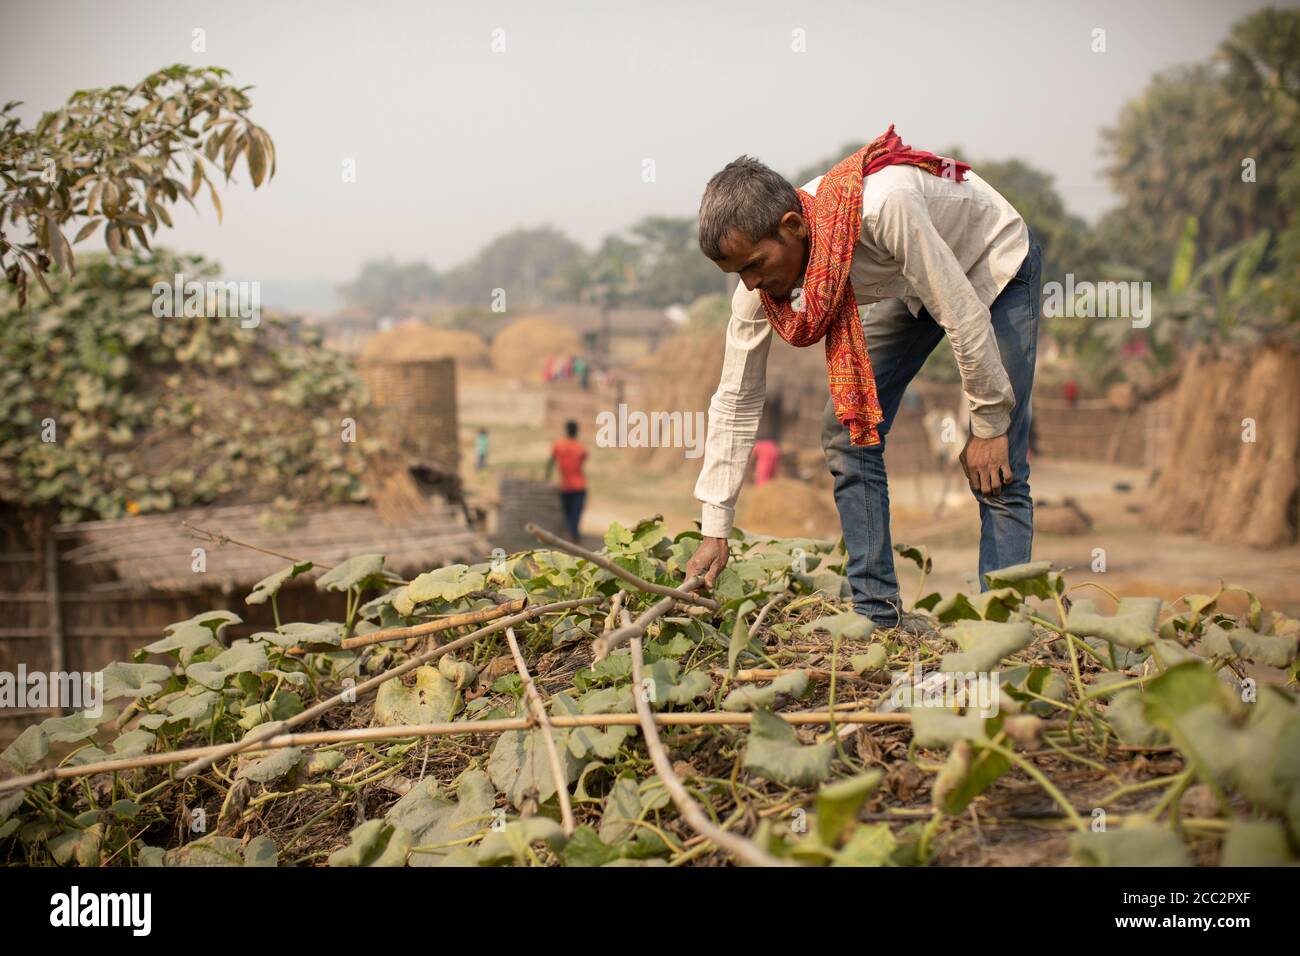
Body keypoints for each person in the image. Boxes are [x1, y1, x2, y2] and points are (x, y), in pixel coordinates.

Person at [685, 125, 1042, 632]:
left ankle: (1003, 631)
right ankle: (877, 614)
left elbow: (961, 314)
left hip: (991, 264)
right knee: (846, 432)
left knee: (998, 459)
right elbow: (737, 399)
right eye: (737, 274)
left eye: (756, 265)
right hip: (911, 282)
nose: (751, 283)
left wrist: (986, 424)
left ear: (793, 225)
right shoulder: (759, 288)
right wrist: (715, 526)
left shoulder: (885, 207)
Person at [546, 419, 587, 542]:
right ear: (577, 432)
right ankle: (573, 536)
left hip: (565, 486)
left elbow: (551, 462)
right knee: (576, 514)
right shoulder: (581, 448)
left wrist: (546, 476)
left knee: (567, 514)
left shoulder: (558, 445)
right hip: (579, 486)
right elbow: (582, 461)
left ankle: (571, 535)